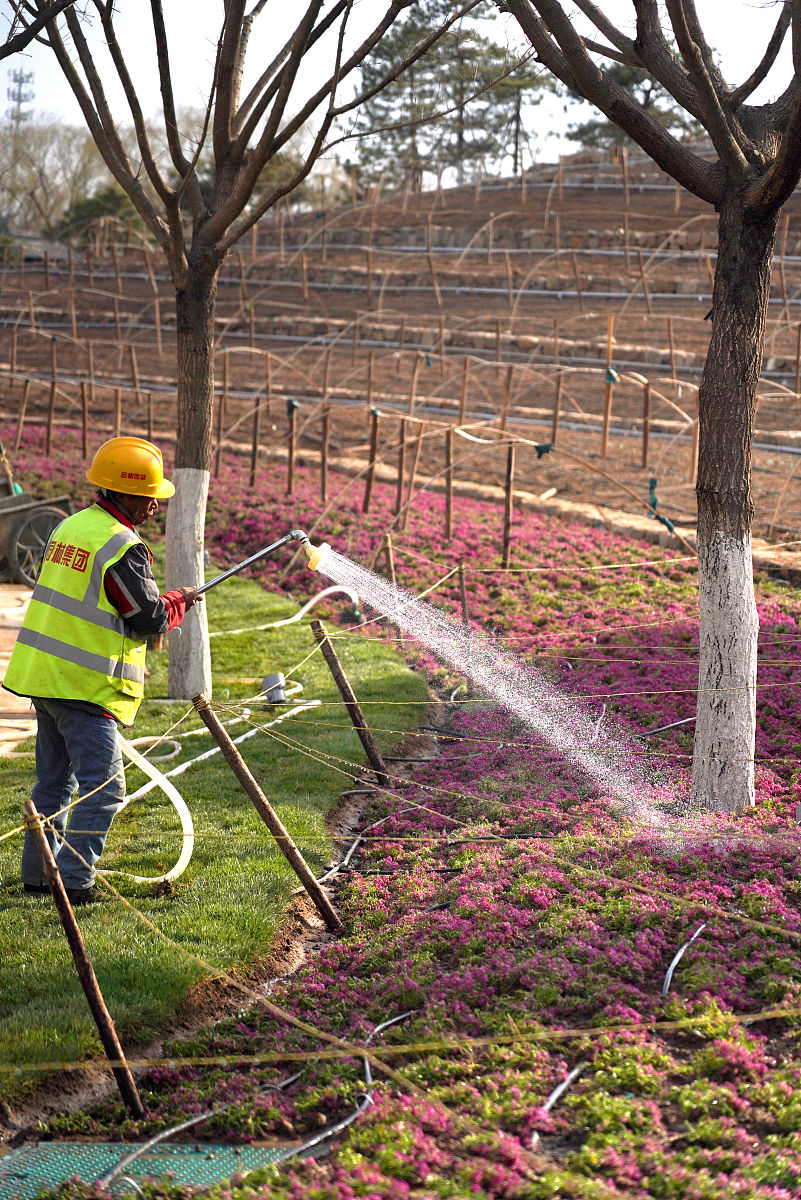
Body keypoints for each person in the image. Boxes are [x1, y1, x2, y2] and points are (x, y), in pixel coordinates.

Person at [3, 437, 202, 904]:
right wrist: (177, 602)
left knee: (53, 783)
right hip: (84, 686)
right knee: (106, 787)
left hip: (44, 677)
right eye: (150, 495)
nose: (155, 504)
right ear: (125, 494)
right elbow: (146, 617)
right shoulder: (122, 546)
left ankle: (39, 876)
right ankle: (73, 882)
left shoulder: (72, 527)